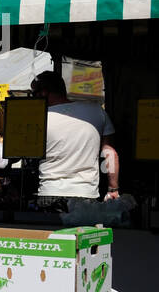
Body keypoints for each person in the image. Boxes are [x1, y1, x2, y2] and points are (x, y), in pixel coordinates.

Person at [31, 71, 119, 207]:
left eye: (33, 93)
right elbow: (109, 153)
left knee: (48, 228)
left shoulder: (37, 117)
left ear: (43, 93)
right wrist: (113, 188)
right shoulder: (96, 111)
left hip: (50, 192)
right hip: (86, 193)